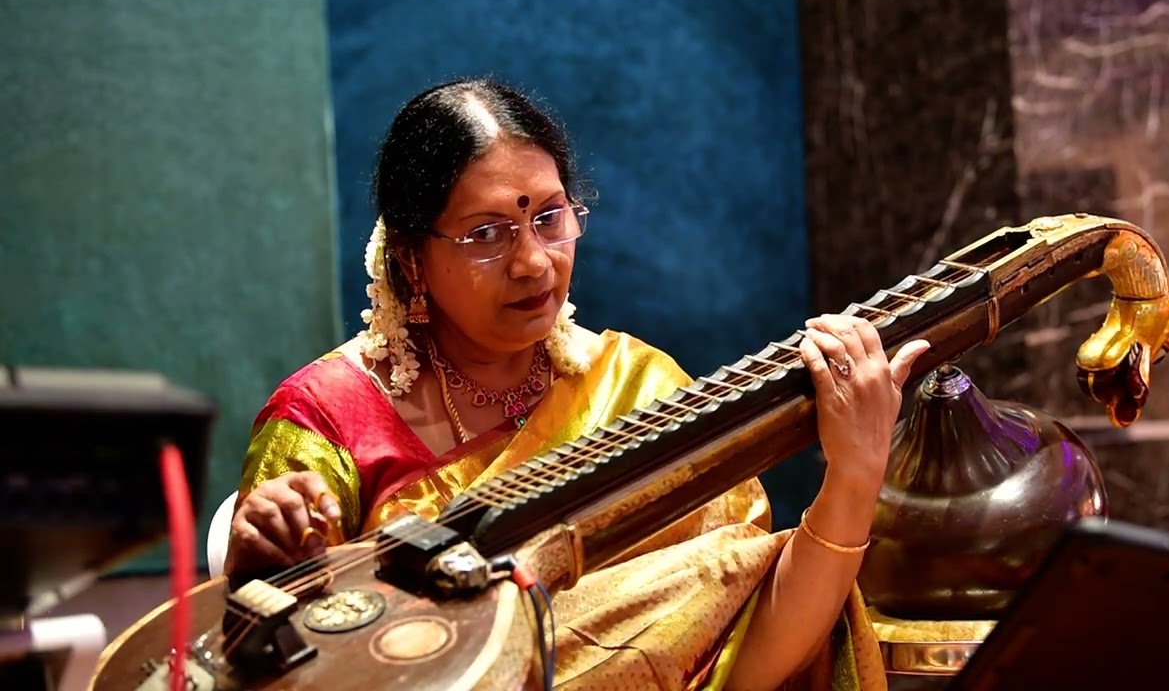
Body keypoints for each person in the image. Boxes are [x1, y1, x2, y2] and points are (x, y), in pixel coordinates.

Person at [226, 78, 929, 691]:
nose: (533, 261)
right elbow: (244, 656)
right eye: (487, 235)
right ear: (412, 261)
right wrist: (255, 570)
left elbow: (742, 652)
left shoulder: (640, 390)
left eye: (548, 218)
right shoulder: (325, 420)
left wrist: (855, 475)